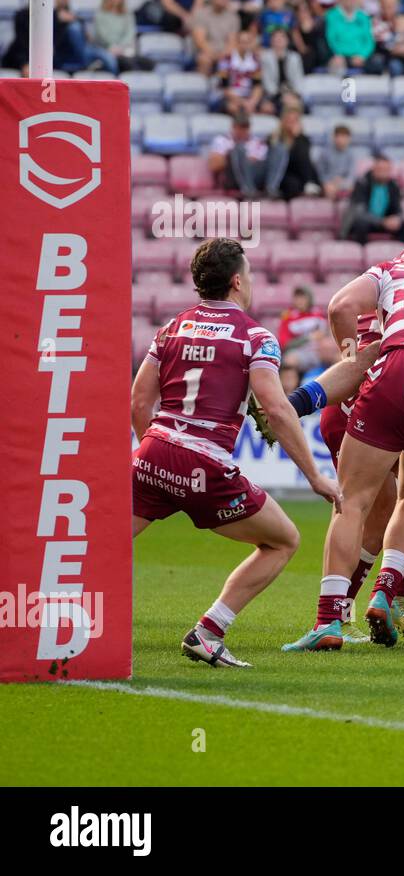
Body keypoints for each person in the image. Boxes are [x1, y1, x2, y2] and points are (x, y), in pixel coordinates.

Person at [131, 240, 342, 668]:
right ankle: (208, 632)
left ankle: (45, 619)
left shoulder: (170, 328)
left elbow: (138, 403)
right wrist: (316, 477)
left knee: (99, 546)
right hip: (205, 461)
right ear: (238, 281)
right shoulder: (255, 336)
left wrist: (155, 458)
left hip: (153, 451)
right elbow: (278, 410)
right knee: (283, 540)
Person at [281, 209, 404, 650]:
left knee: (354, 501)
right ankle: (385, 594)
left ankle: (329, 620)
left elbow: (341, 310)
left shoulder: (396, 271)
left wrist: (349, 354)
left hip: (390, 380)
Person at [342, 154, 404, 243]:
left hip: (385, 222)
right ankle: (362, 253)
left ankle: (400, 254)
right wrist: (382, 221)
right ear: (373, 169)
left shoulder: (393, 186)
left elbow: (399, 210)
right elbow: (360, 213)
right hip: (368, 222)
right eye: (380, 169)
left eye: (386, 170)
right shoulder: (362, 183)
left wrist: (396, 219)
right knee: (361, 224)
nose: (383, 173)